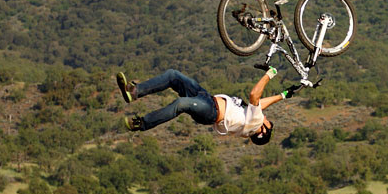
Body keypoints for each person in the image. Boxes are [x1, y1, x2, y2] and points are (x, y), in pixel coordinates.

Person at [116, 67, 300, 145]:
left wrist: (270, 74)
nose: (268, 119)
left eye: (269, 123)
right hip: (206, 97)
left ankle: (142, 123)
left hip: (210, 111)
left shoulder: (254, 124)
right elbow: (260, 104)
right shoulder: (252, 120)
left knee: (181, 104)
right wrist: (282, 95)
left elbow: (254, 96)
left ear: (262, 131)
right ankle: (134, 92)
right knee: (173, 76)